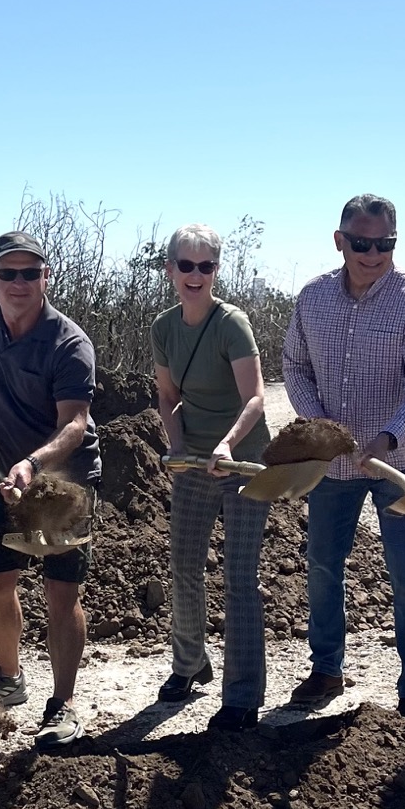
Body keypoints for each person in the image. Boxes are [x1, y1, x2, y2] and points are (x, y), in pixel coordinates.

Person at [282, 194, 405, 718]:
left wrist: (388, 441)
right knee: (324, 566)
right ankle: (327, 670)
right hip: (332, 467)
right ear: (340, 241)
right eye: (362, 243)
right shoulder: (312, 298)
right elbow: (294, 367)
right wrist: (323, 432)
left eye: (384, 244)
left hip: (396, 465)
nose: (372, 253)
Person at [0, 230, 100, 747]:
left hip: (64, 479)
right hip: (5, 474)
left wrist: (34, 464)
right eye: (8, 273)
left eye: (30, 273)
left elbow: (76, 424)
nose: (19, 283)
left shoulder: (68, 342)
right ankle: (9, 676)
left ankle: (62, 706)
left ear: (45, 277)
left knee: (61, 592)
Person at [151, 224, 271, 731]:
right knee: (184, 564)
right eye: (186, 265)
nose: (195, 275)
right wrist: (177, 443)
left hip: (241, 462)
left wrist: (227, 444)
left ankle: (243, 696)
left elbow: (256, 398)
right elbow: (165, 395)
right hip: (193, 462)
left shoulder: (232, 324)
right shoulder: (163, 327)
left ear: (216, 271)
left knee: (240, 576)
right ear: (170, 270)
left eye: (206, 266)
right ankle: (189, 664)